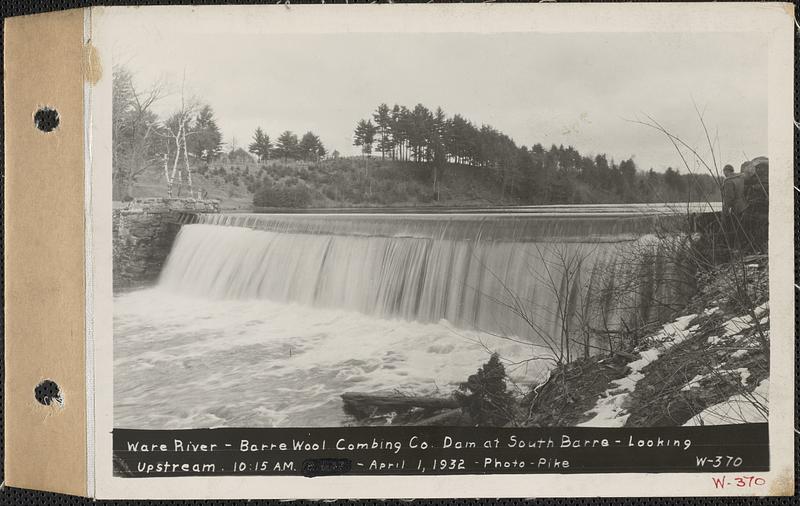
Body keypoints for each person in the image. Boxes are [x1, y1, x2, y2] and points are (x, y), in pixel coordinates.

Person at [721, 164, 746, 248]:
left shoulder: (728, 181)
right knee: (741, 228)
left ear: (726, 171)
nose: (724, 174)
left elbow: (729, 198)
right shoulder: (740, 178)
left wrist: (725, 211)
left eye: (724, 172)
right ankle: (741, 246)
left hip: (735, 208)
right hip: (743, 205)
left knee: (733, 228)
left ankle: (734, 247)